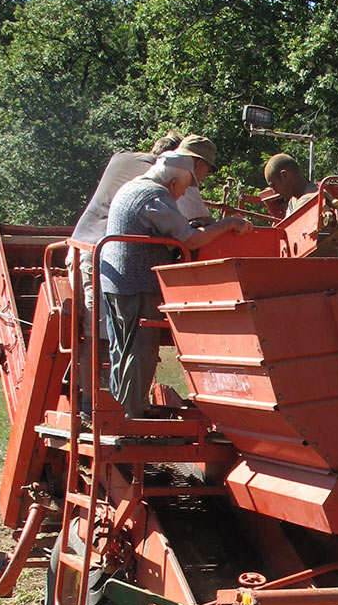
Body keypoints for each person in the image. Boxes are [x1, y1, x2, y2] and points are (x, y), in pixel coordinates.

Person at [99, 145, 249, 416]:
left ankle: (123, 408)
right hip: (137, 281)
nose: (181, 195)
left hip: (117, 280)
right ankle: (134, 413)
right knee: (141, 346)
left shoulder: (133, 186)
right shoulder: (155, 195)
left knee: (123, 346)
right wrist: (227, 225)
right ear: (172, 182)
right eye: (182, 189)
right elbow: (189, 239)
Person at [70, 134, 177, 412]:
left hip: (98, 250)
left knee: (111, 334)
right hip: (98, 254)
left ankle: (109, 402)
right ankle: (91, 405)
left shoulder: (125, 159)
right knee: (100, 331)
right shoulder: (154, 178)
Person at [262, 152, 316, 219]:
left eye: (274, 186)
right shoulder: (293, 202)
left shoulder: (313, 200)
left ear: (284, 175)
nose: (274, 192)